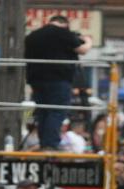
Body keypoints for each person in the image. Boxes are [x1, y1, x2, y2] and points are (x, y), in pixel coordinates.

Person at [24, 15, 90, 152]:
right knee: (56, 111)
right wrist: (88, 41)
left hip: (37, 80)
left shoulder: (33, 36)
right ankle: (50, 145)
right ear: (65, 24)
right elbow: (82, 50)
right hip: (59, 79)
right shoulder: (63, 33)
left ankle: (44, 143)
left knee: (42, 111)